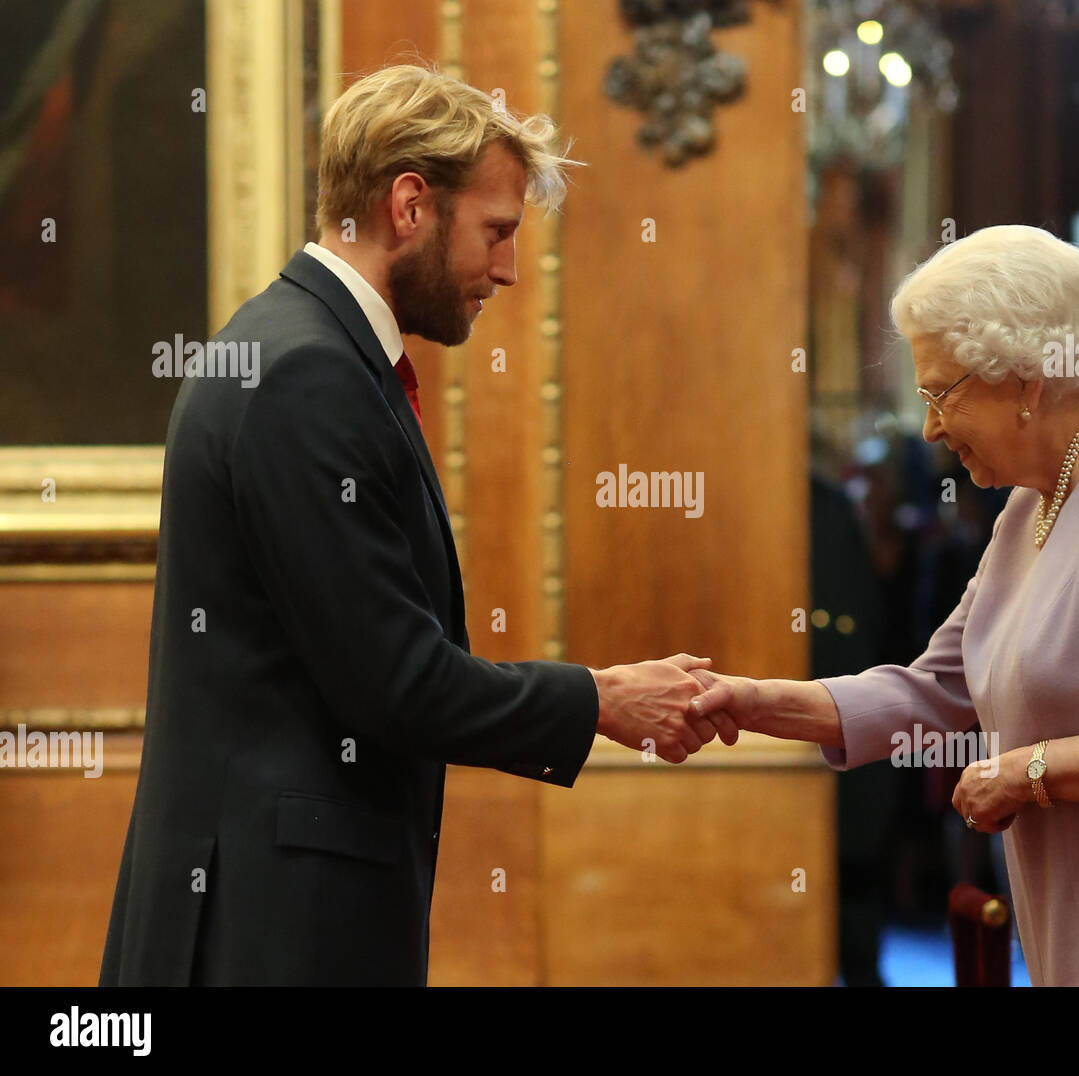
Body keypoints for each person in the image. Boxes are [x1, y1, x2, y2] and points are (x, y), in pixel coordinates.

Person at [100, 63, 730, 987]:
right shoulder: (303, 375)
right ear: (409, 206)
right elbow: (395, 681)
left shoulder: (294, 348)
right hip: (270, 933)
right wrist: (602, 700)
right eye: (498, 231)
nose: (509, 270)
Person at [691, 225, 1079, 986]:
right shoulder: (1032, 500)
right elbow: (938, 689)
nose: (930, 428)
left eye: (942, 393)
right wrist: (749, 702)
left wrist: (1026, 773)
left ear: (1027, 381)